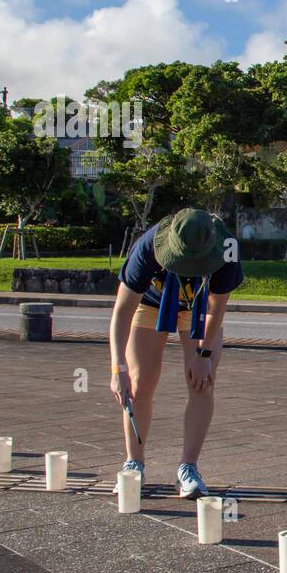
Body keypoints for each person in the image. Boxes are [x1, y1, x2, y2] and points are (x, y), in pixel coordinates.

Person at [108, 207, 243, 499]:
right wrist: (116, 369)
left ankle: (188, 468)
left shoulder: (228, 249)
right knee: (140, 381)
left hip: (199, 309)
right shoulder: (146, 247)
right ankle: (134, 463)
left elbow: (217, 308)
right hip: (151, 303)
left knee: (202, 383)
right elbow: (122, 312)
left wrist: (204, 355)